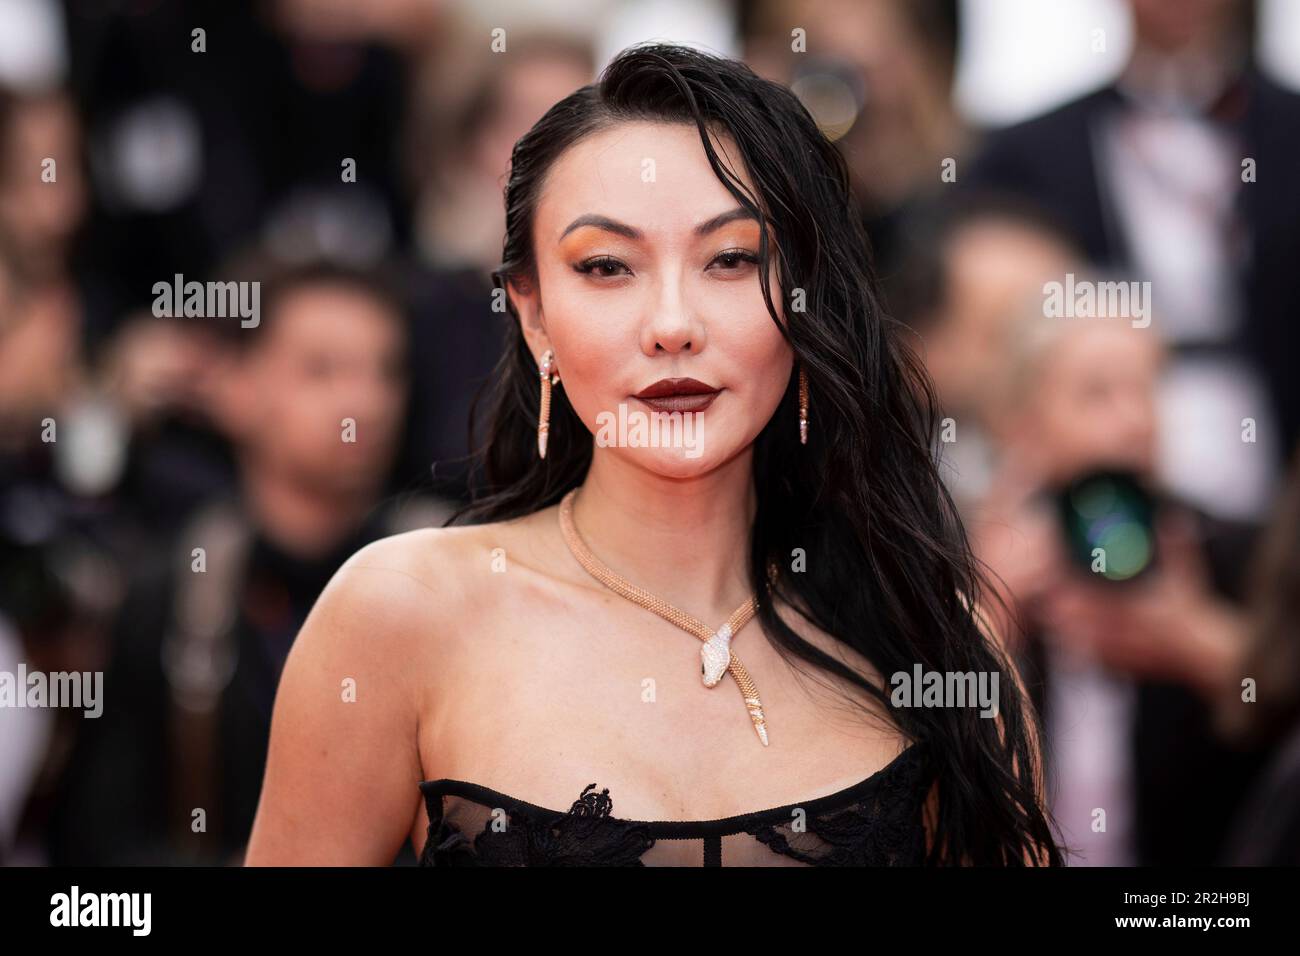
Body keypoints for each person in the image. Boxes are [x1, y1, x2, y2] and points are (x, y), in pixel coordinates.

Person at [244, 42, 1061, 867]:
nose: (672, 323)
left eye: (731, 260)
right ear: (532, 316)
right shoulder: (399, 613)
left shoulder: (934, 643)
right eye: (607, 266)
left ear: (805, 300)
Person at [44, 258, 443, 865]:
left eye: (386, 371)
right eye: (322, 369)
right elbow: (97, 841)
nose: (366, 400)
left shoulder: (447, 576)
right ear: (236, 390)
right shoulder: (174, 595)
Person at [972, 294, 1270, 864]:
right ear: (1021, 425)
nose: (1136, 421)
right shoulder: (959, 561)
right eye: (1098, 394)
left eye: (1146, 391)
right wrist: (987, 619)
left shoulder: (1229, 553)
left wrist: (1200, 640)